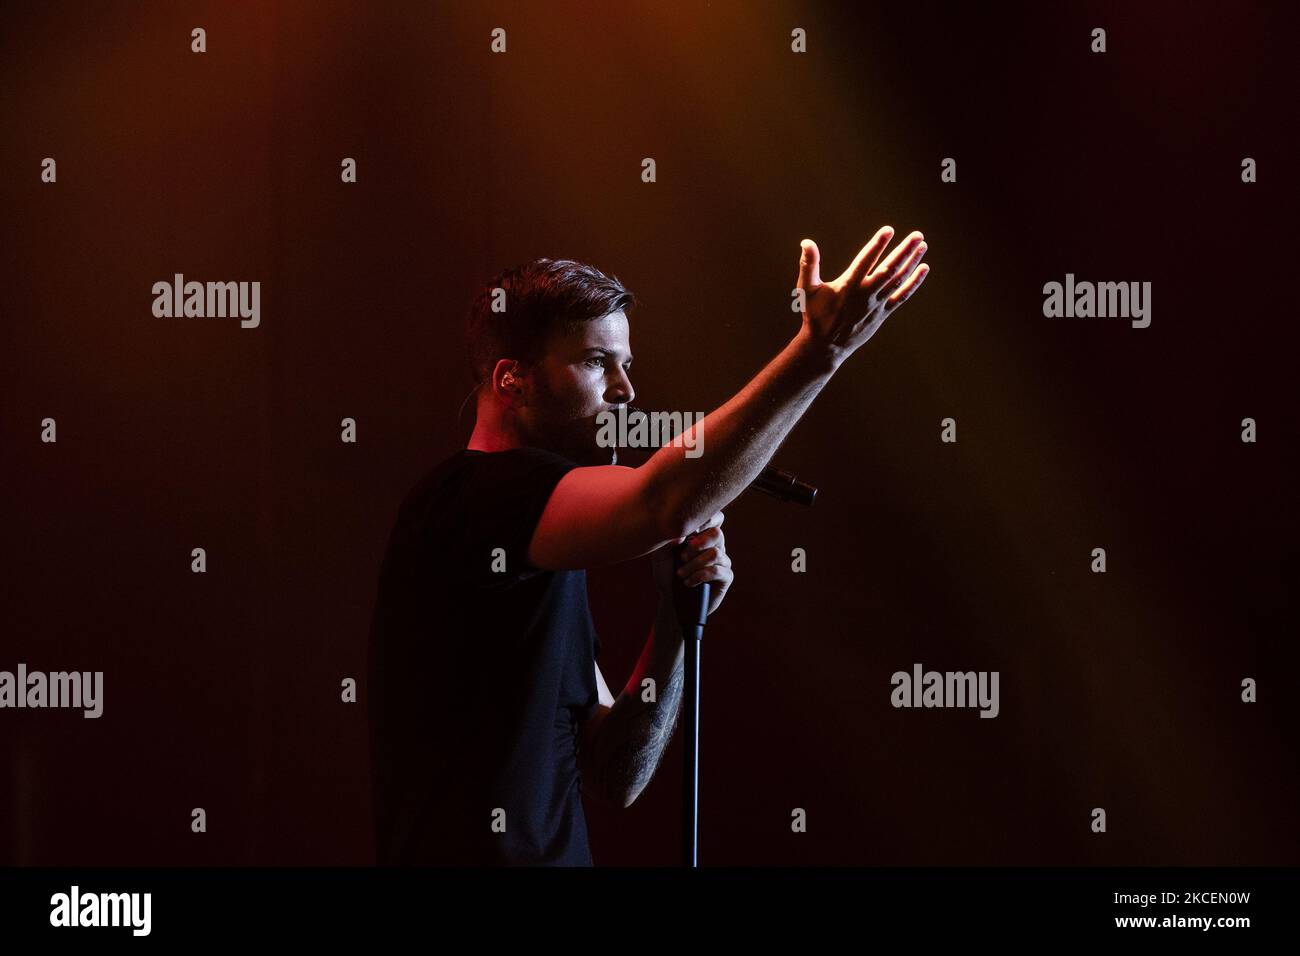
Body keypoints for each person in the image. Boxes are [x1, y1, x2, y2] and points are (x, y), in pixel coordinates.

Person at [367, 227, 930, 865]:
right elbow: (663, 502)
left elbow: (616, 773)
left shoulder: (536, 545)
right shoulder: (474, 500)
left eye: (625, 364)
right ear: (511, 381)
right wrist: (817, 350)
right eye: (593, 362)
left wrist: (673, 620)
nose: (624, 391)